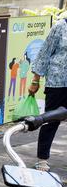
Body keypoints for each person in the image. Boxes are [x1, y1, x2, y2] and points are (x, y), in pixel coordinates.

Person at [28, 18, 67, 172]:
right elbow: (44, 53)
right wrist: (35, 81)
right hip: (57, 83)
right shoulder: (60, 27)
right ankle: (42, 160)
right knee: (51, 121)